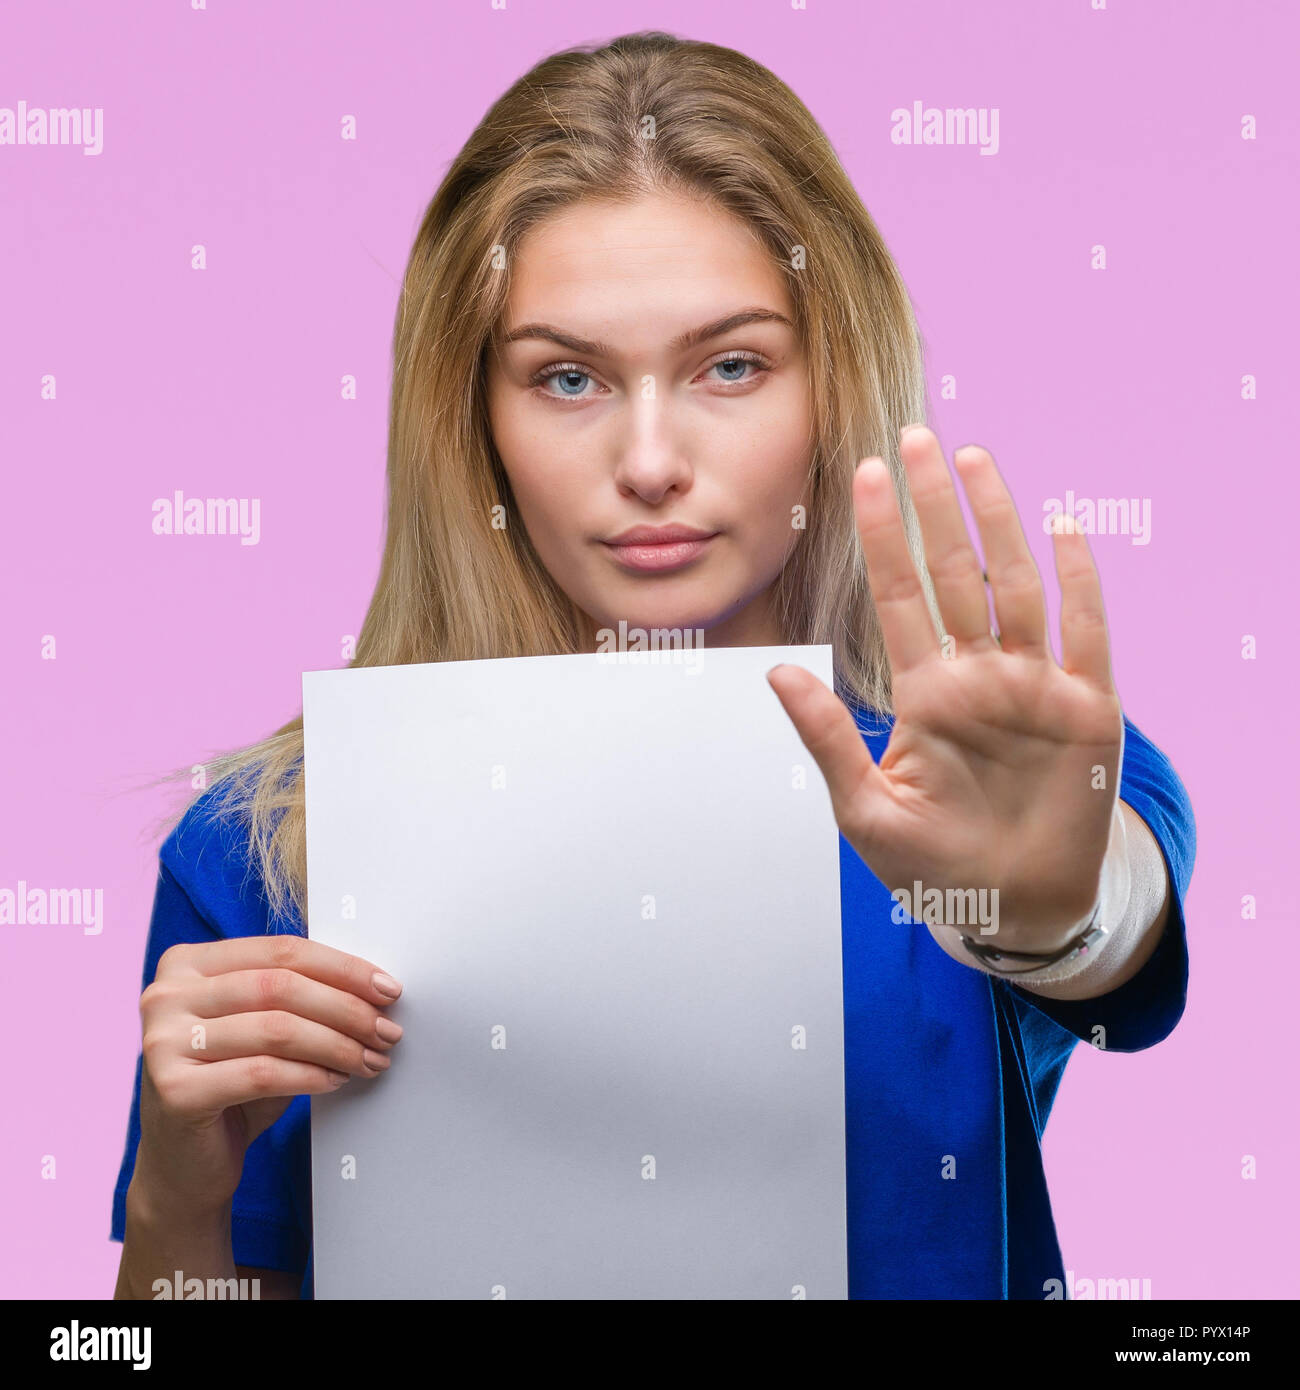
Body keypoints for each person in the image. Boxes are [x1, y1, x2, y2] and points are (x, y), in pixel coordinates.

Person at [111, 30, 1194, 1300]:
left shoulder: (987, 778)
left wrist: (1057, 913)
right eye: (567, 377)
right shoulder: (266, 845)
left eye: (730, 365)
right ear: (474, 417)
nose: (648, 459)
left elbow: (1111, 946)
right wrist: (172, 1198)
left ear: (829, 384)